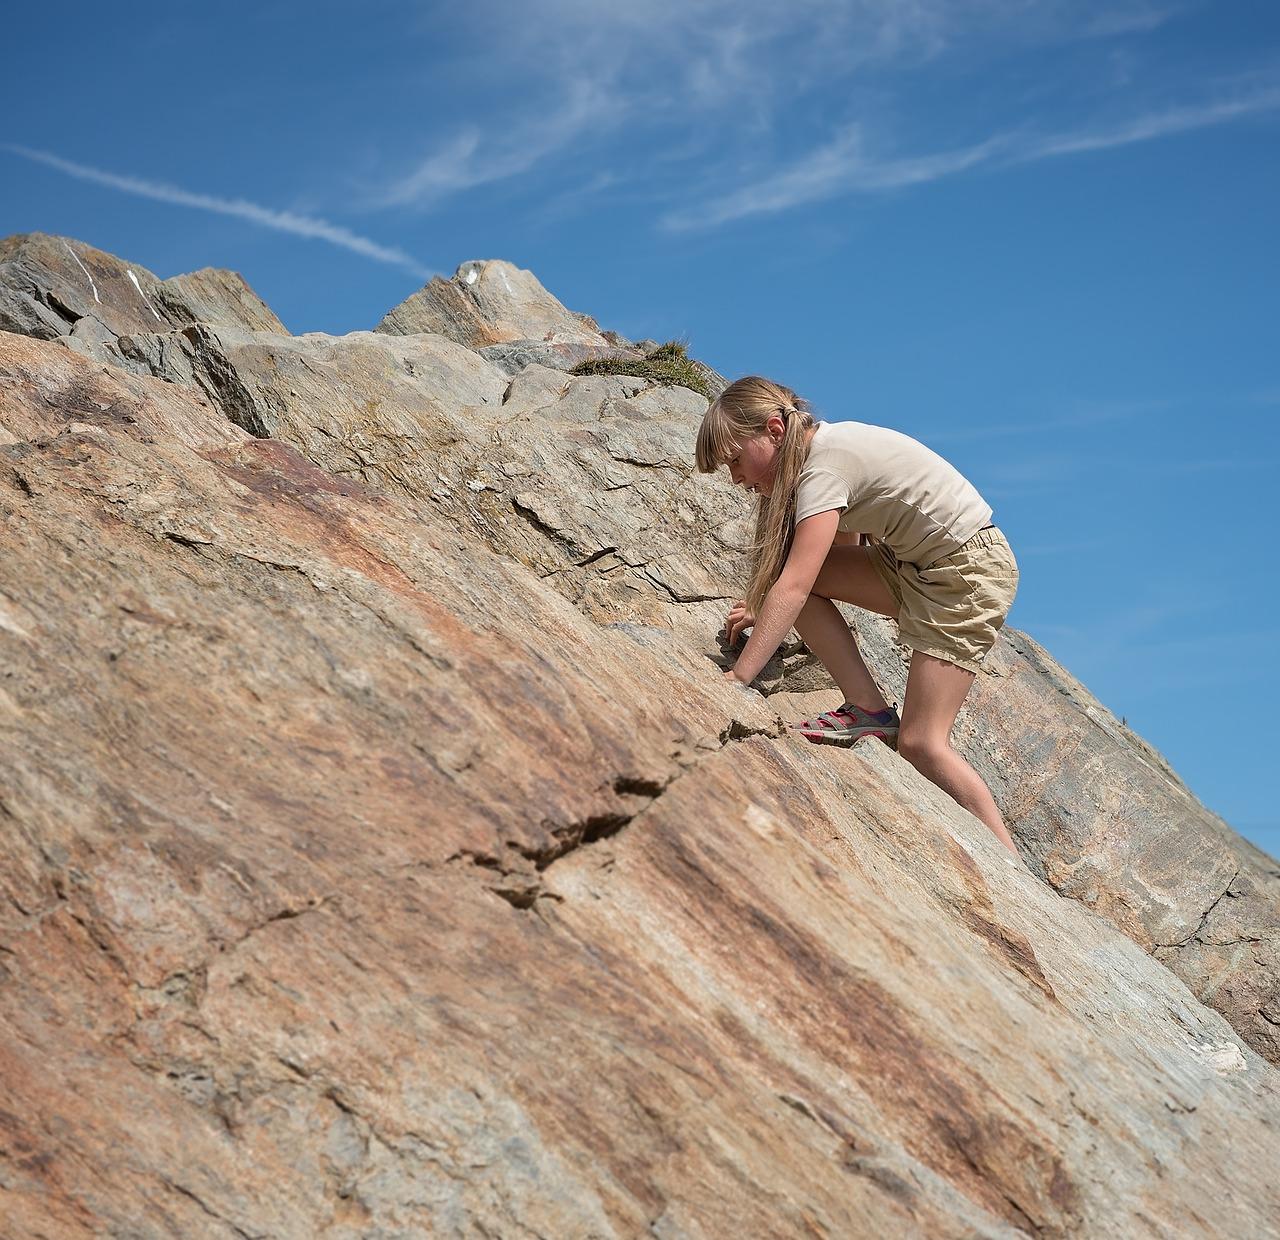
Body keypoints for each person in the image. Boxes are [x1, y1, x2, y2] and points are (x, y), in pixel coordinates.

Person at [695, 375, 1022, 859]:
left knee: (921, 744)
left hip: (965, 573)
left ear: (773, 432)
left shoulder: (825, 467)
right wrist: (767, 607)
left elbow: (798, 581)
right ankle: (867, 710)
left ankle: (1010, 867)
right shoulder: (820, 453)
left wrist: (738, 679)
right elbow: (827, 564)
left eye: (736, 460)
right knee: (793, 586)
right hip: (922, 566)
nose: (736, 477)